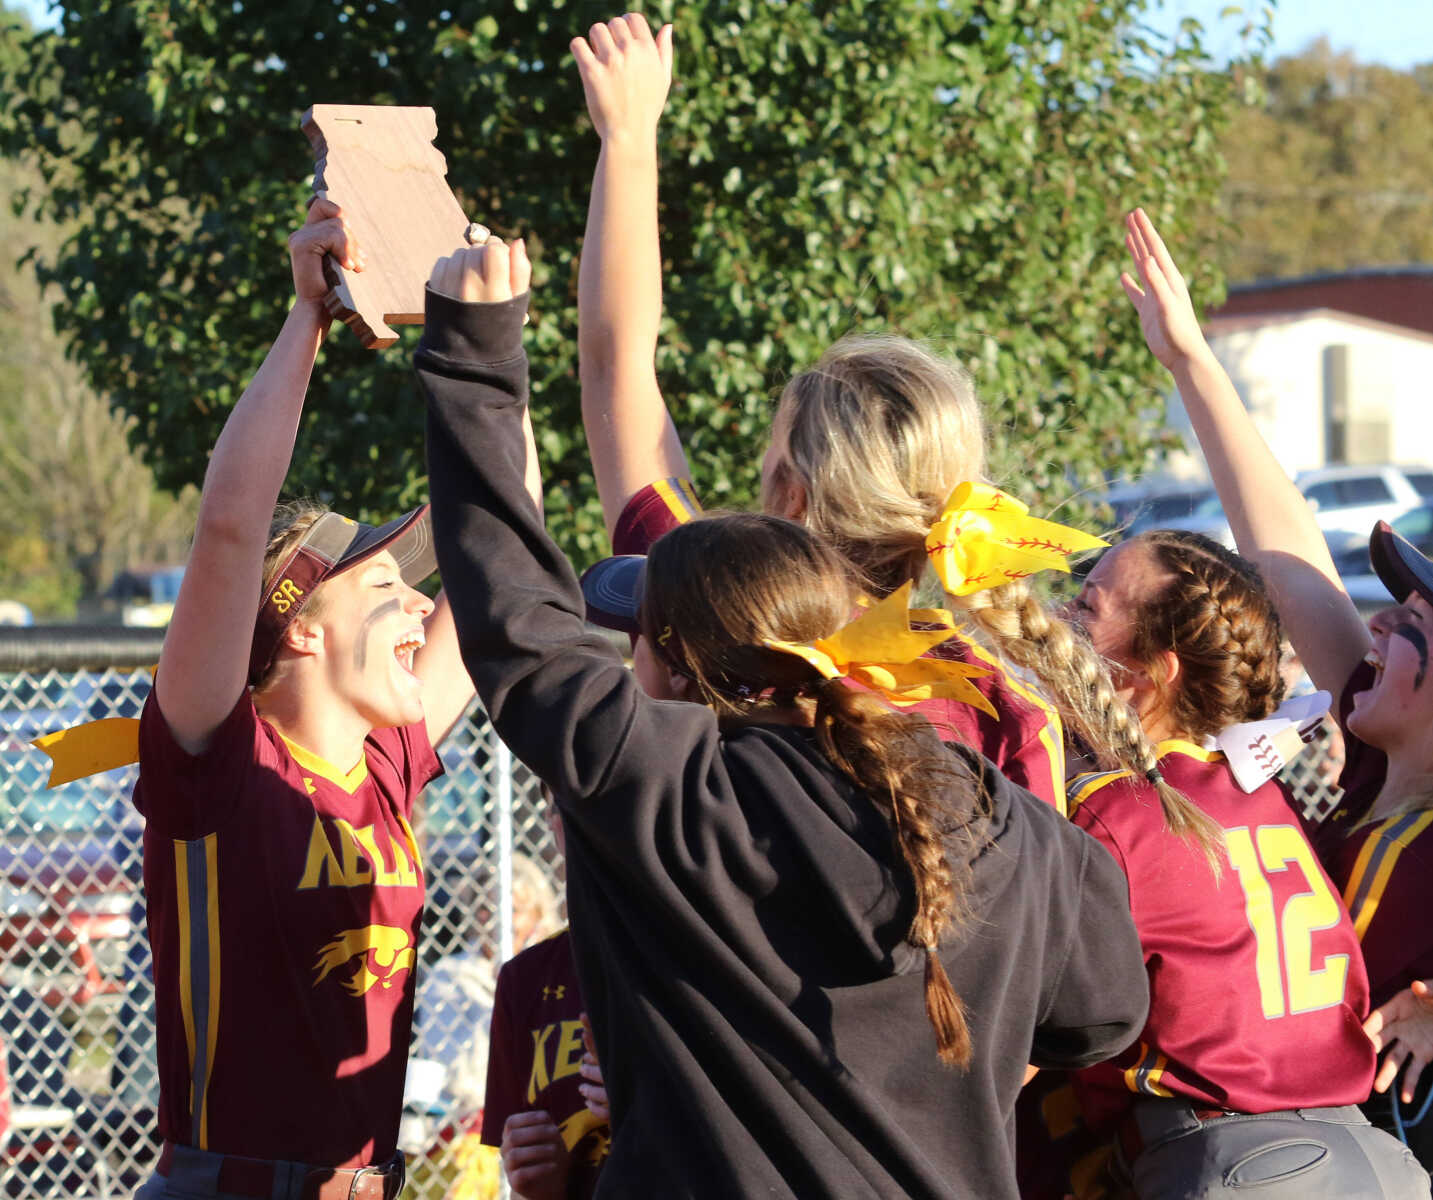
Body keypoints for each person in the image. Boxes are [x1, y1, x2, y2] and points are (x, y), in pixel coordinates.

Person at [416, 235, 1151, 1199]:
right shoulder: (1004, 811)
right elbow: (1100, 1015)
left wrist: (474, 357)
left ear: (672, 661)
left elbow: (516, 622)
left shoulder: (665, 789)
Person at [571, 14, 1161, 811]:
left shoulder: (716, 614)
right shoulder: (1008, 708)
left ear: (794, 496)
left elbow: (616, 368)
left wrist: (628, 137)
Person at [130, 201, 520, 1199]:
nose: (418, 607)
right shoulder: (219, 763)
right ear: (300, 626)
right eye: (386, 589)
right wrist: (306, 319)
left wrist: (484, 333)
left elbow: (498, 558)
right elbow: (229, 531)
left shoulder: (385, 767)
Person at [1119, 204, 1433, 1170]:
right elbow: (1290, 563)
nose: (1376, 624)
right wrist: (1191, 363)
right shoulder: (1375, 776)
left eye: (1414, 628)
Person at [1025, 527, 1422, 1198]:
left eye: (1088, 605)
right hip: (1367, 1159)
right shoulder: (1256, 795)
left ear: (1152, 671)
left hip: (1237, 1163)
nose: (1062, 618)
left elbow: (1023, 1028)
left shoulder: (1113, 809)